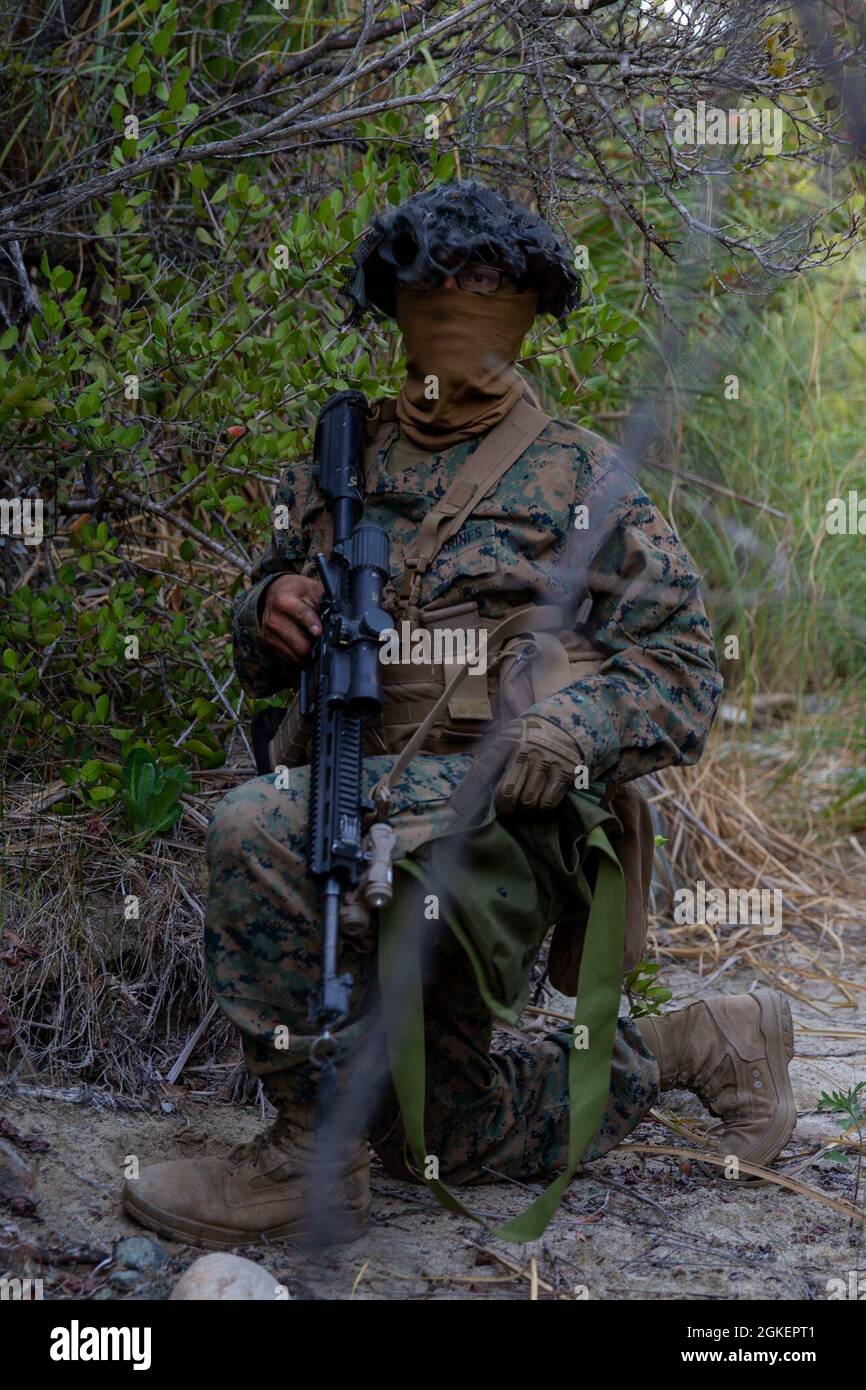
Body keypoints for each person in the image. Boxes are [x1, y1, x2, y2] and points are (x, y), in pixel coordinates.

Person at [123, 182, 796, 1249]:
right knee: (436, 1133)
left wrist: (572, 730)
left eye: (484, 282)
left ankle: (303, 1161)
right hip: (359, 785)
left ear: (528, 305)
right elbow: (260, 654)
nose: (456, 301)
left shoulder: (582, 475)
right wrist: (269, 610)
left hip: (507, 813)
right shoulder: (342, 462)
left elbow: (682, 673)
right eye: (433, 280)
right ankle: (700, 1042)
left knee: (255, 825)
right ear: (393, 300)